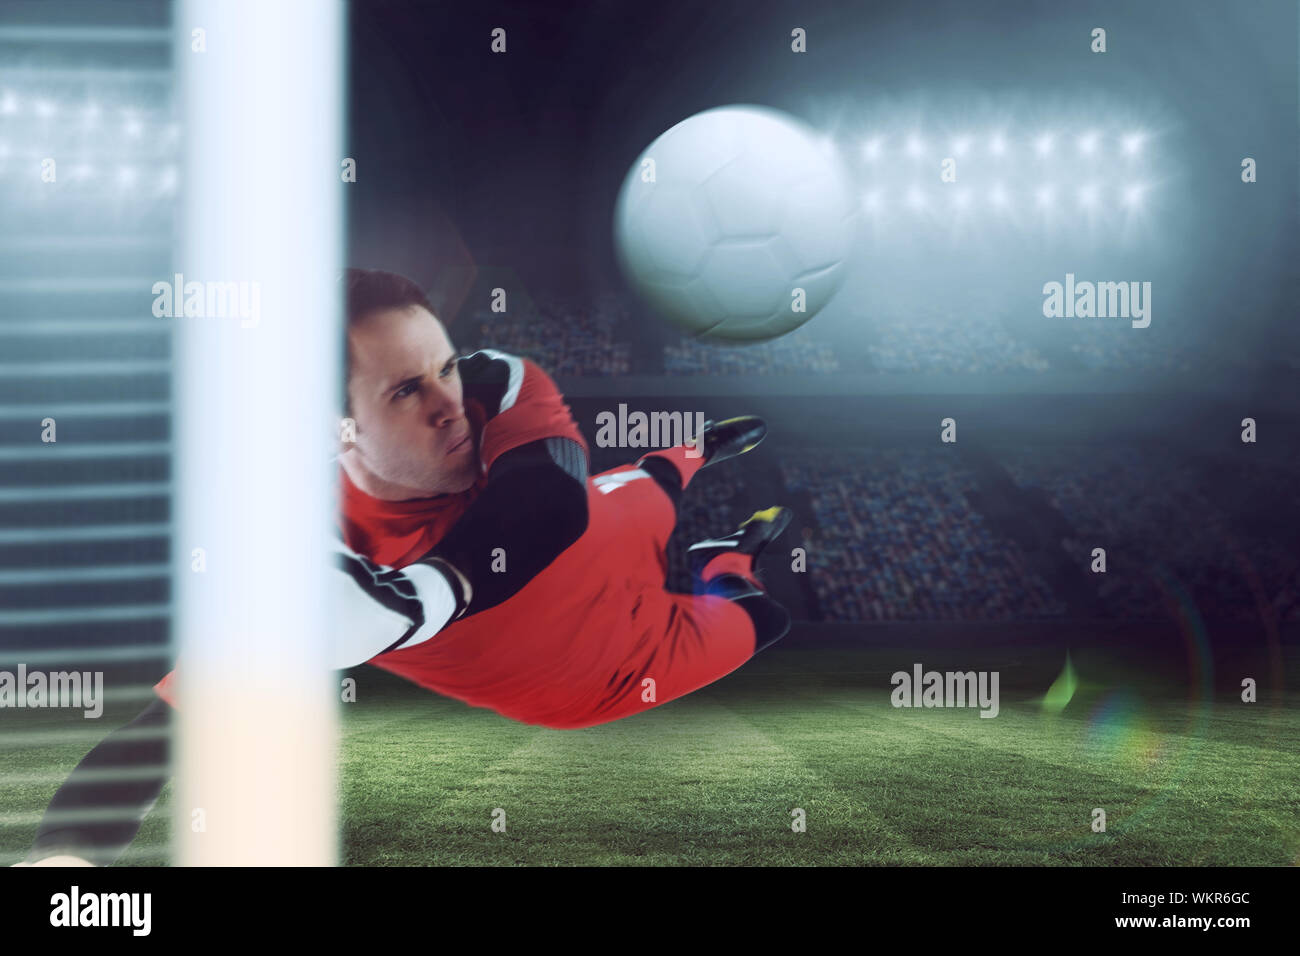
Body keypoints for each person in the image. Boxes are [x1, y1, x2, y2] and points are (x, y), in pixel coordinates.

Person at [17, 269, 792, 865]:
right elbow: (155, 743)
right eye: (404, 391)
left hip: (595, 530)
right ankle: (724, 558)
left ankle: (697, 449)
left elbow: (548, 505)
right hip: (602, 671)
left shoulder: (496, 383)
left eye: (444, 367)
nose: (450, 403)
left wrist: (422, 596)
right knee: (761, 615)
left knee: (648, 483)